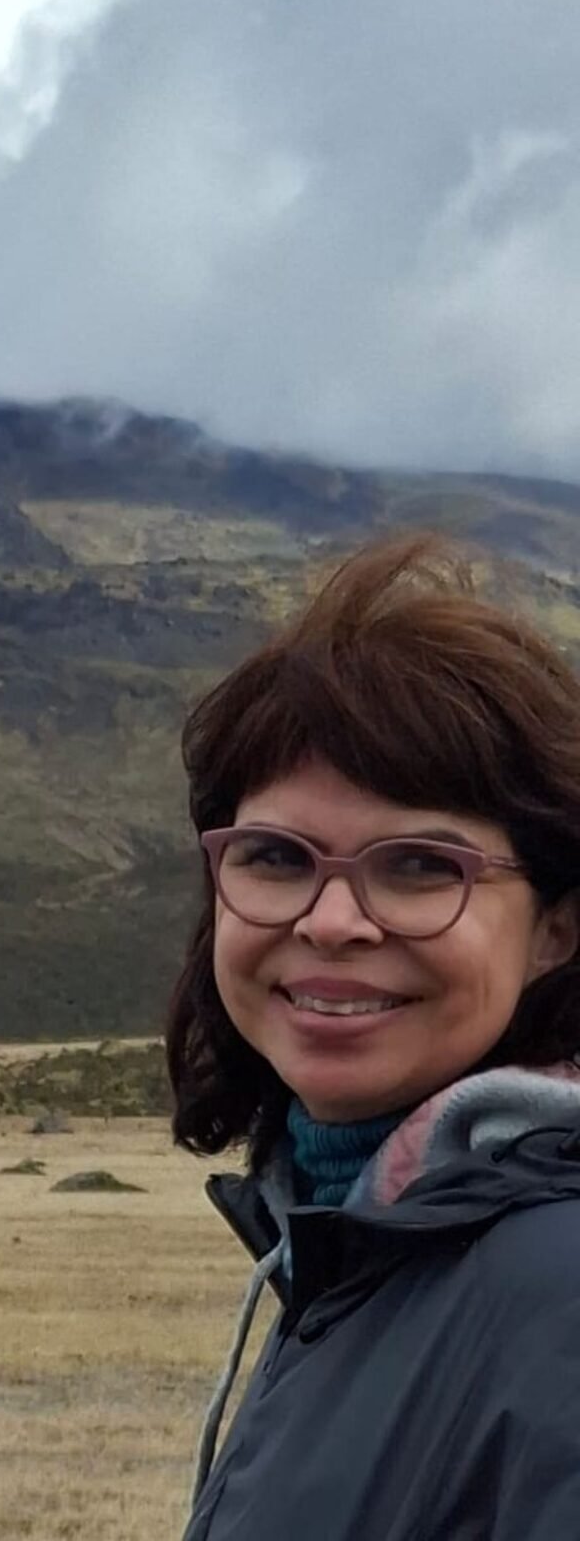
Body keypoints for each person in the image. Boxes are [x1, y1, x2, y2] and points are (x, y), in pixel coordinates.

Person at [170, 535, 580, 1540]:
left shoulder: (555, 1282)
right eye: (275, 854)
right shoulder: (361, 1237)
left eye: (418, 865)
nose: (332, 920)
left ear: (557, 928)